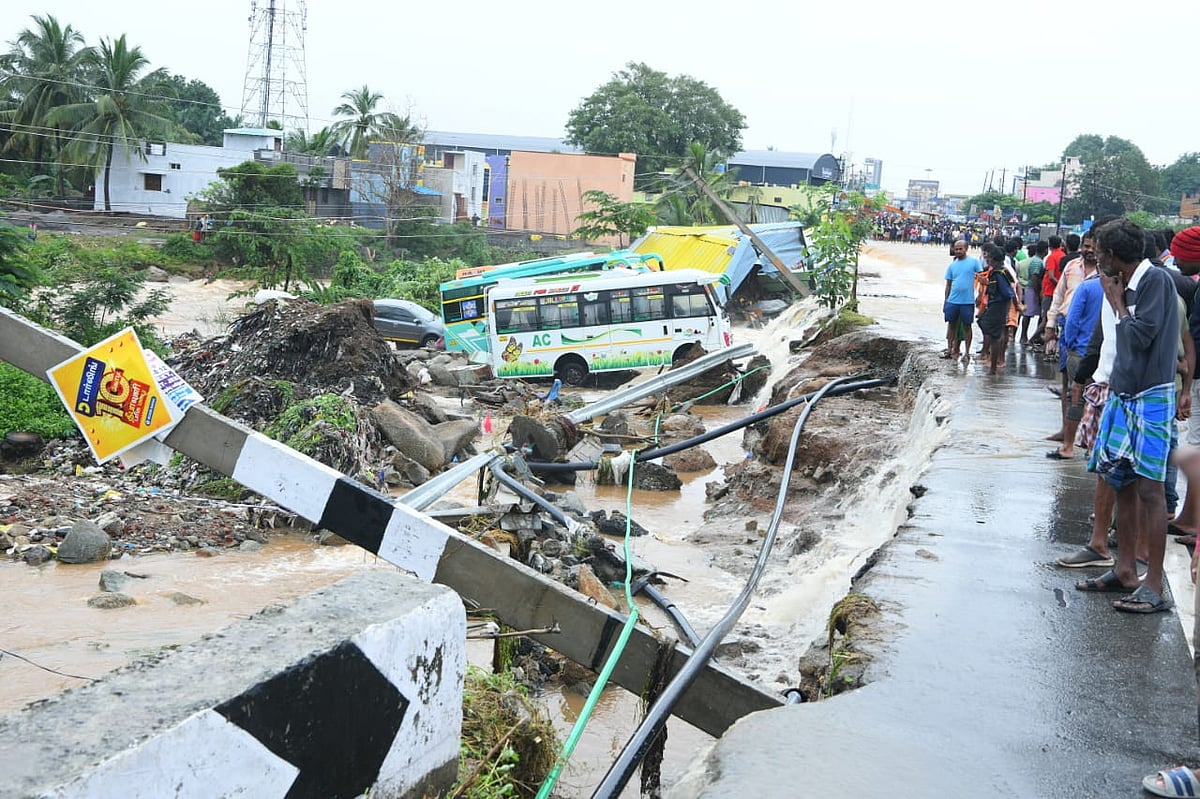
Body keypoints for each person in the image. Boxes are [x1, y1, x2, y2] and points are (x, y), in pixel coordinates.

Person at [1075, 218, 1184, 613]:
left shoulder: (1154, 281)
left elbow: (1139, 337)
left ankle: (1153, 584)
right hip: (1123, 393)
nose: (1095, 257)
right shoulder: (1125, 282)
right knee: (1117, 476)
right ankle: (1123, 570)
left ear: (1112, 257)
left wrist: (1118, 303)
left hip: (1151, 398)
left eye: (1100, 251)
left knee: (1151, 490)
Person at [1046, 231, 1103, 460]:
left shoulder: (1098, 281)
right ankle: (1068, 434)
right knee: (1070, 387)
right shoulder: (1071, 267)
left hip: (1082, 342)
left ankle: (1072, 443)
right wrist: (1050, 325)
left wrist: (1069, 344)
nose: (1088, 250)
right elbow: (1058, 297)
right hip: (1071, 334)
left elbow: (1074, 319)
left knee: (1078, 393)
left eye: (1092, 247)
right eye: (1085, 246)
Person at [943, 240, 982, 365]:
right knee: (951, 325)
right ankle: (950, 349)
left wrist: (980, 295)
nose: (958, 251)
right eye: (956, 249)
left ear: (966, 249)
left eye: (961, 249)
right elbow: (948, 284)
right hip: (953, 300)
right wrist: (946, 300)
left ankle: (966, 352)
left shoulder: (974, 262)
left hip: (967, 301)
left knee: (967, 326)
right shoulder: (952, 265)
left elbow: (981, 279)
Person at [977, 244, 1013, 374]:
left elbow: (1007, 293)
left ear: (992, 259)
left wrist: (1007, 312)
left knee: (994, 336)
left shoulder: (999, 273)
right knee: (982, 323)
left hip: (998, 306)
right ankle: (992, 363)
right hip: (994, 305)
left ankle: (993, 367)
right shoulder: (997, 271)